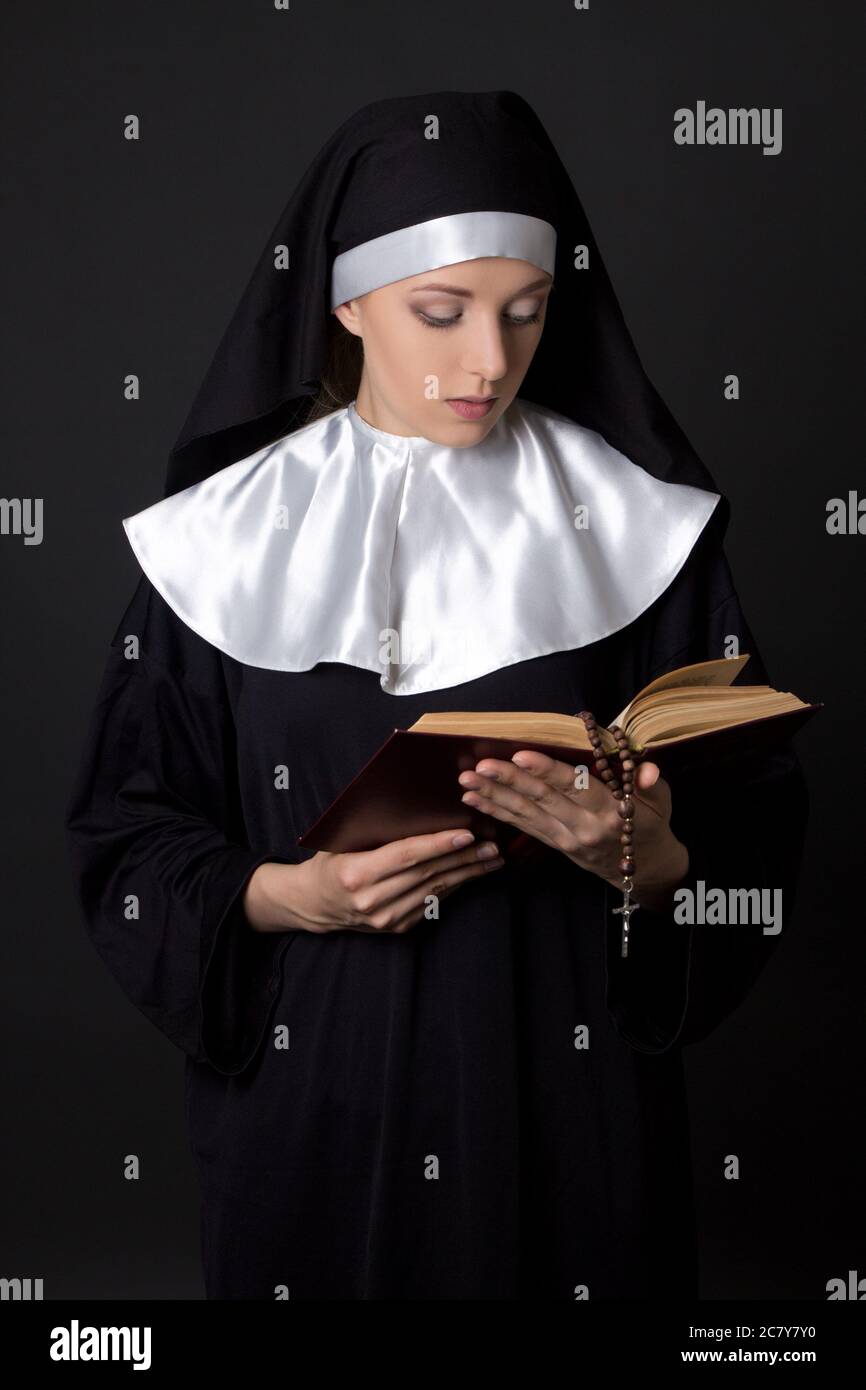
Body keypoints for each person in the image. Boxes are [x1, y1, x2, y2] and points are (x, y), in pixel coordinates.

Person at [64, 90, 808, 1300]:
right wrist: (281, 894)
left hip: (569, 1093)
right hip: (319, 1101)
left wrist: (658, 860)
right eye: (440, 311)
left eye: (524, 313)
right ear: (348, 302)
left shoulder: (636, 525)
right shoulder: (223, 541)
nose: (488, 360)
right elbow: (124, 836)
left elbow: (759, 808)